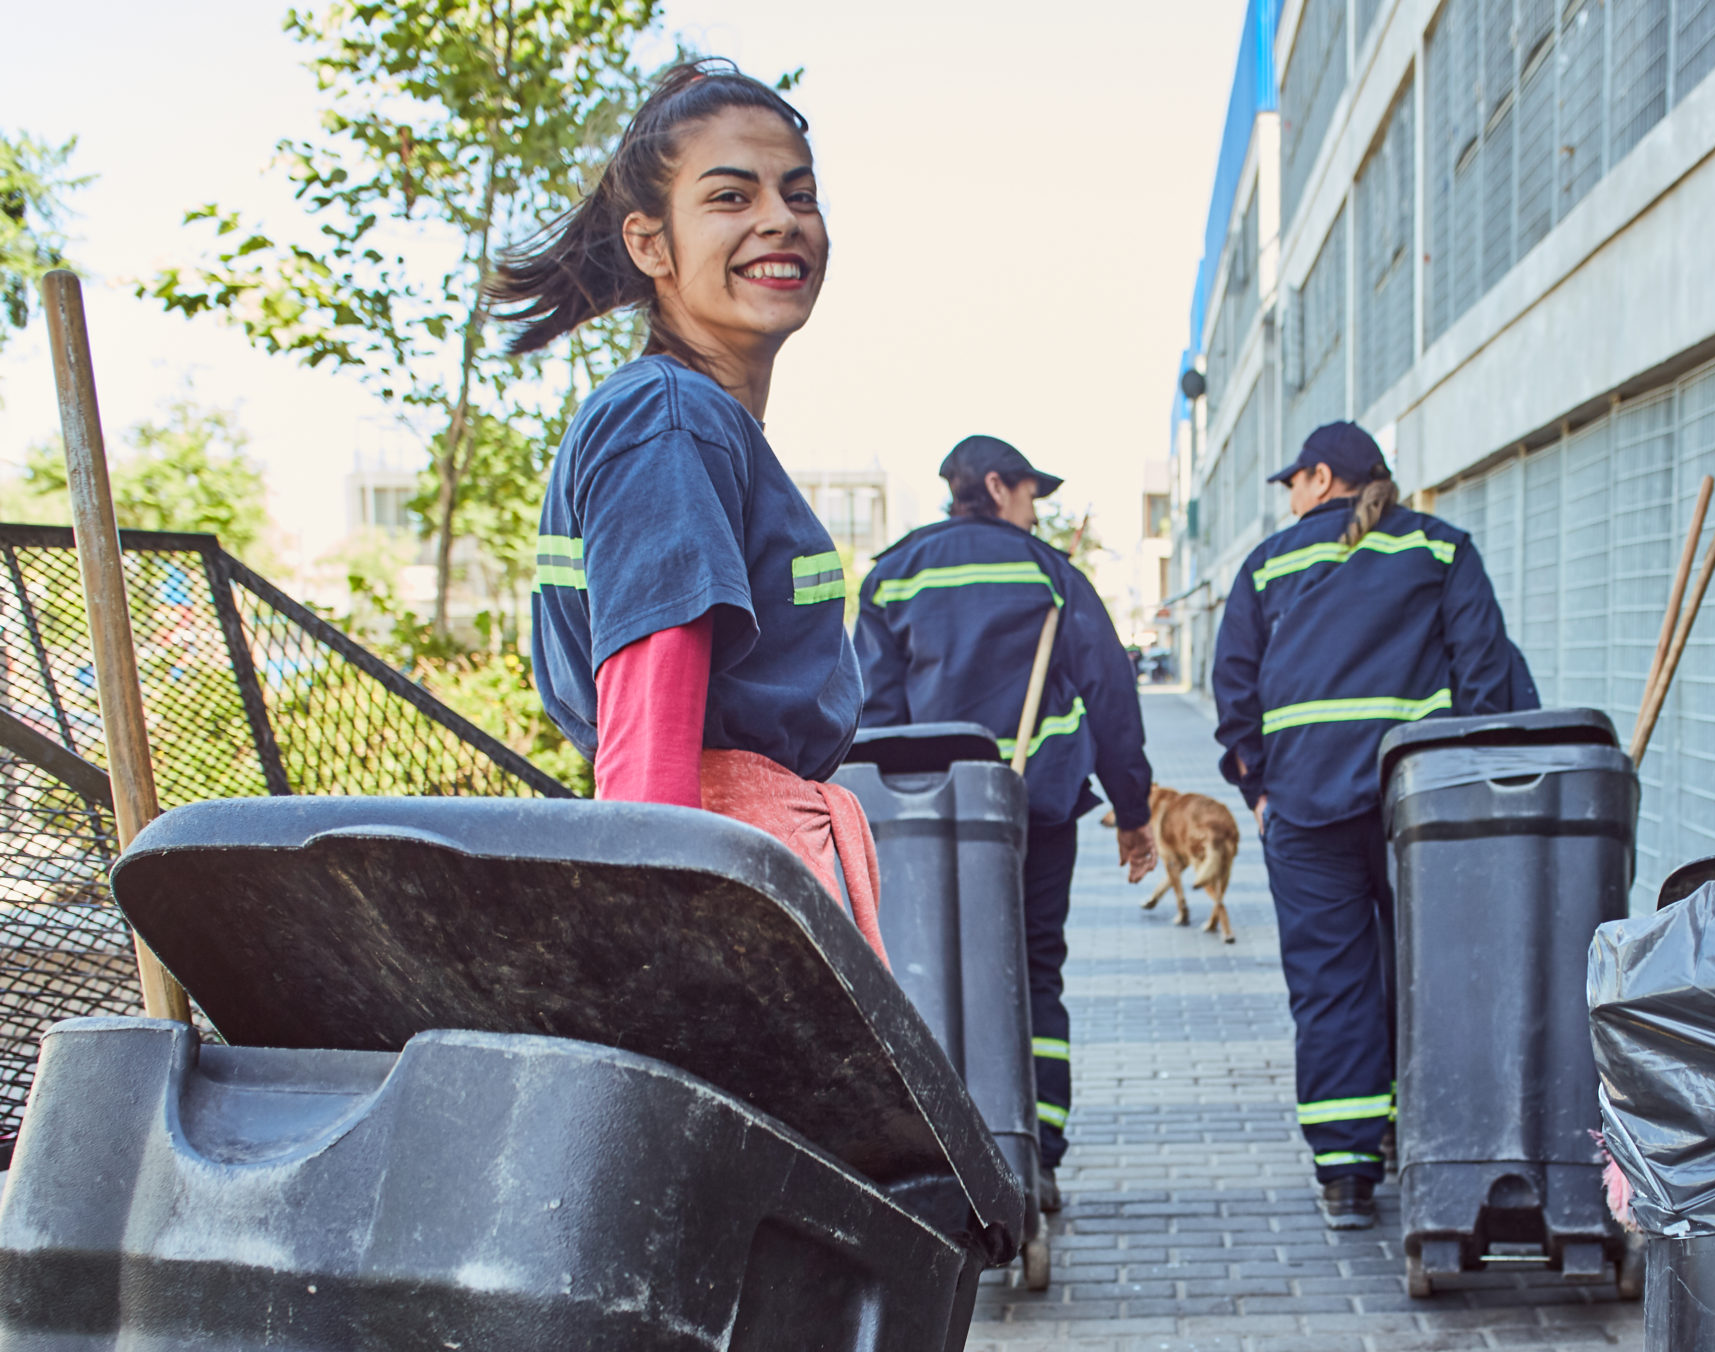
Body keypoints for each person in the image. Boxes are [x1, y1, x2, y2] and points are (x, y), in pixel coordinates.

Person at [494, 60, 888, 952]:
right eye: (729, 197)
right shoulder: (670, 421)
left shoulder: (692, 422)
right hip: (723, 889)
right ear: (650, 244)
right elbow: (648, 724)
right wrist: (662, 949)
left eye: (800, 194)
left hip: (745, 873)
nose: (779, 220)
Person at [1212, 421, 1534, 1231]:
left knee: (1330, 983)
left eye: (1293, 480)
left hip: (1306, 809)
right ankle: (1430, 1138)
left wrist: (1257, 784)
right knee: (1432, 974)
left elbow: (1233, 690)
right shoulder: (1439, 549)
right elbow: (1486, 681)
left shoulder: (1268, 565)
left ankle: (1346, 1171)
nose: (1289, 496)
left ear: (1323, 478)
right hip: (1421, 808)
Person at [856, 436, 1157, 1207]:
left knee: (927, 972)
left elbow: (872, 713)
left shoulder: (894, 572)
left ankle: (940, 1150)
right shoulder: (1049, 574)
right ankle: (1037, 1147)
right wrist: (1132, 810)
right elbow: (1112, 693)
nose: (1035, 509)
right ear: (996, 486)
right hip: (1034, 809)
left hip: (922, 824)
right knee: (1031, 970)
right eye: (1030, 493)